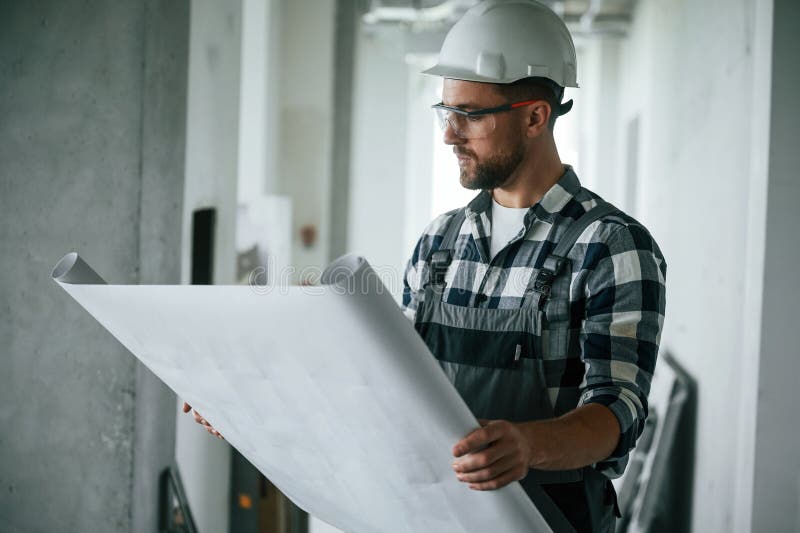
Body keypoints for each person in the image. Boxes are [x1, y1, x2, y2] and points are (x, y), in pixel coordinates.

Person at [186, 1, 666, 531]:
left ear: (535, 116)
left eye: (471, 114)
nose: (449, 134)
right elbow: (391, 389)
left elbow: (617, 411)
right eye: (446, 112)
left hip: (546, 518)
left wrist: (528, 445)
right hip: (432, 515)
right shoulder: (441, 240)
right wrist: (248, 408)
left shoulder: (609, 245)